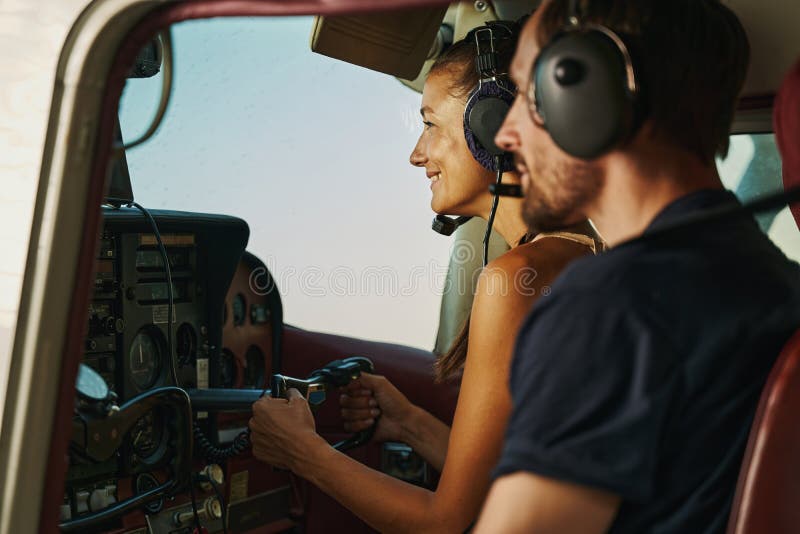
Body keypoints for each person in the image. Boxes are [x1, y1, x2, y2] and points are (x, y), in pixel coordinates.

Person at [248, 22, 602, 533]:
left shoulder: (515, 279)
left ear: (493, 124)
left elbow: (447, 523)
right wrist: (409, 422)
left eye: (431, 124)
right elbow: (527, 479)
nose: (418, 153)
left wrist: (304, 453)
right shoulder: (586, 252)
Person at [474, 2, 800, 533]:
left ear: (584, 92)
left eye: (525, 97)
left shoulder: (614, 306)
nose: (506, 136)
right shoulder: (779, 283)